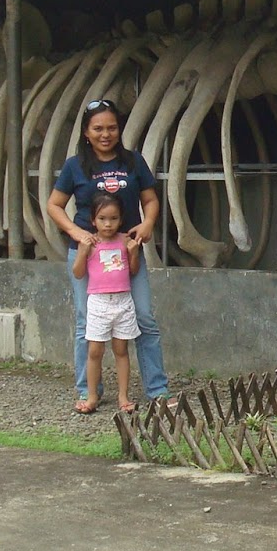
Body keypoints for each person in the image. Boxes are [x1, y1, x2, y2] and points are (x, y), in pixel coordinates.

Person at [44, 98, 169, 413]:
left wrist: (148, 223)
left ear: (119, 129)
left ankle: (158, 390)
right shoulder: (75, 166)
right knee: (86, 323)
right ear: (86, 131)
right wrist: (76, 233)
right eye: (98, 128)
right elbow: (54, 205)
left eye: (111, 127)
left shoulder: (133, 162)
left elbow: (150, 199)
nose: (105, 134)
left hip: (127, 253)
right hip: (90, 256)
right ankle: (89, 392)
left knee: (144, 318)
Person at [72, 193, 141, 414]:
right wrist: (82, 252)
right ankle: (91, 396)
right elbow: (78, 273)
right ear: (93, 220)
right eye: (102, 218)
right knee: (94, 351)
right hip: (99, 303)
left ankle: (123, 396)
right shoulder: (91, 244)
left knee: (121, 349)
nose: (108, 224)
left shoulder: (125, 241)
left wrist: (133, 253)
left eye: (113, 218)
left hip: (123, 301)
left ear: (121, 220)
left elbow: (134, 271)